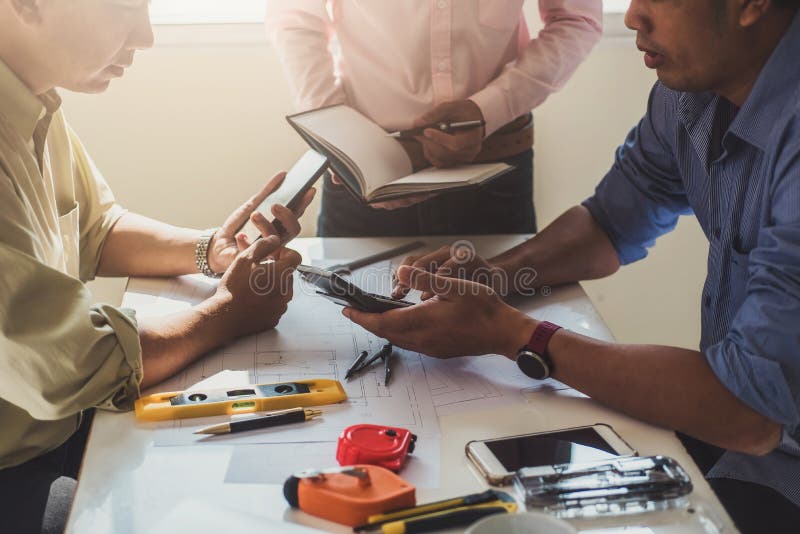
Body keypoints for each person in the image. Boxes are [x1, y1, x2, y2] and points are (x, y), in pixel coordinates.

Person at [343, 0, 800, 531]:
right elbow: (612, 220)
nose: (631, 17)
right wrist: (497, 277)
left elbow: (748, 411)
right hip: (741, 429)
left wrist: (516, 336)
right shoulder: (690, 95)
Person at [0, 1, 314, 532]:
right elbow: (76, 361)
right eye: (124, 7)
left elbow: (94, 228)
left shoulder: (33, 101)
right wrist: (230, 312)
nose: (145, 37)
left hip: (55, 426)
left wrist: (209, 250)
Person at [265, 0, 602, 236]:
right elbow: (294, 16)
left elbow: (577, 19)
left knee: (497, 325)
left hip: (492, 168)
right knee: (345, 327)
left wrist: (488, 109)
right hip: (360, 178)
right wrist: (340, 135)